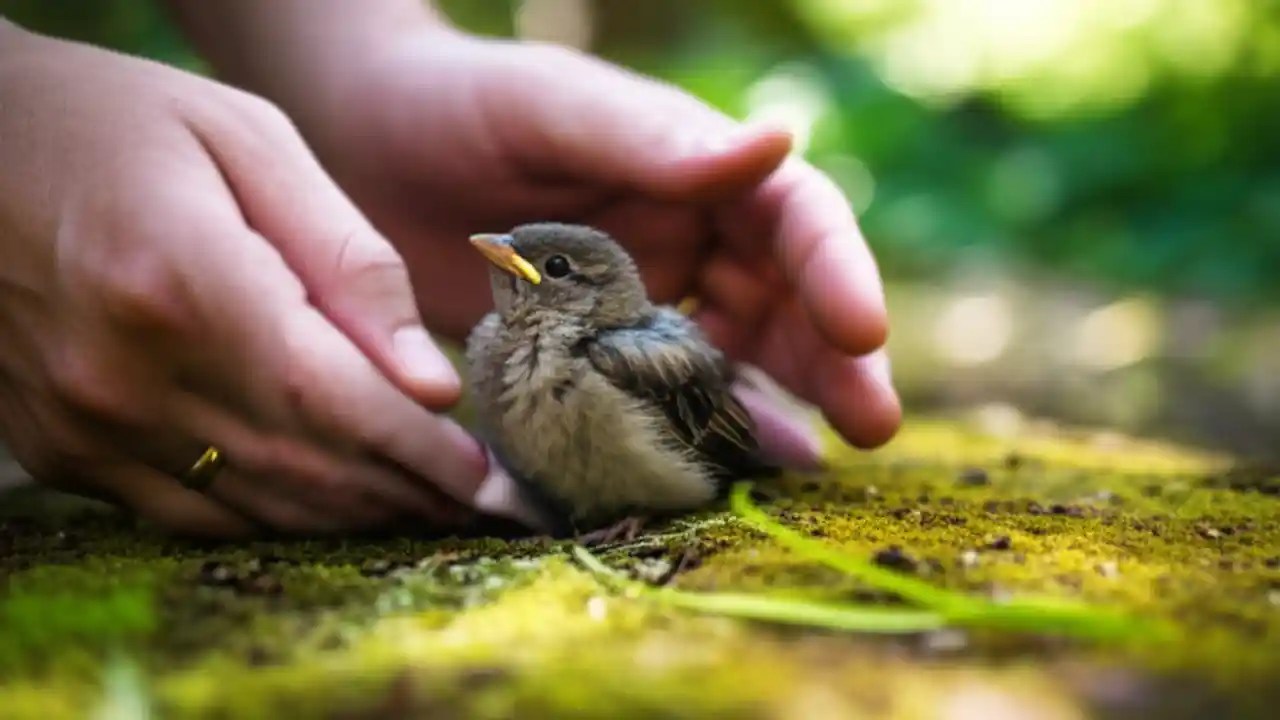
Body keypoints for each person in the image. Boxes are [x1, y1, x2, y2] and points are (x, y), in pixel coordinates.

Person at [0, 1, 900, 537]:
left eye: (543, 263)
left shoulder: (626, 356)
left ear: (588, 288)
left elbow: (707, 448)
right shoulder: (498, 342)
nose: (507, 263)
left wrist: (363, 61)